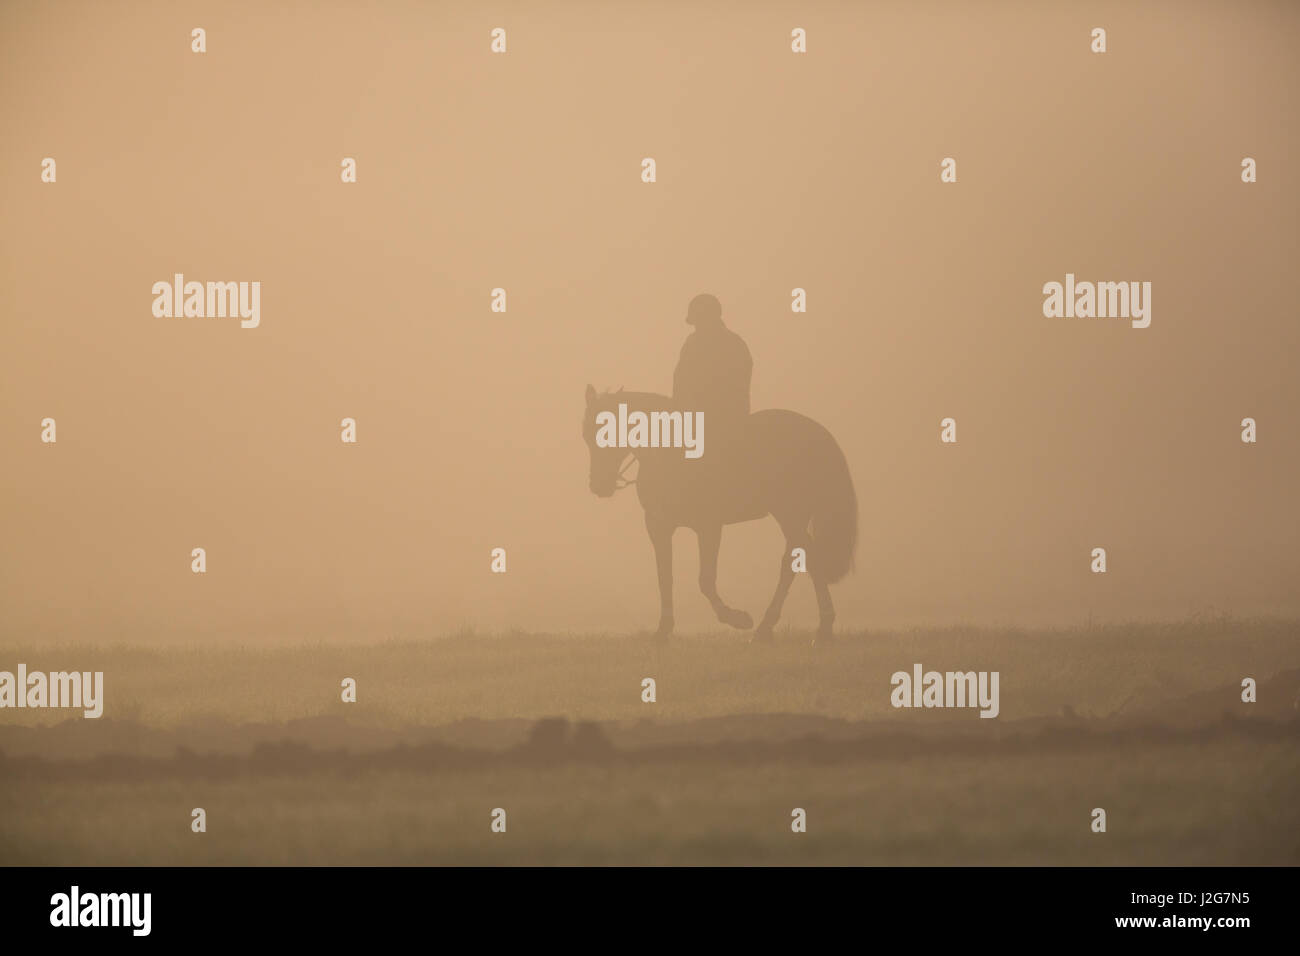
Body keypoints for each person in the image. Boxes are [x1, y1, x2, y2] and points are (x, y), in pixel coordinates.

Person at [672, 293, 752, 464]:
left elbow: (738, 386)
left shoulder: (733, 344)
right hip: (692, 417)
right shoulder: (691, 343)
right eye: (696, 323)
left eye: (699, 321)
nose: (697, 327)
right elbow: (679, 380)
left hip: (725, 420)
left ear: (710, 318)